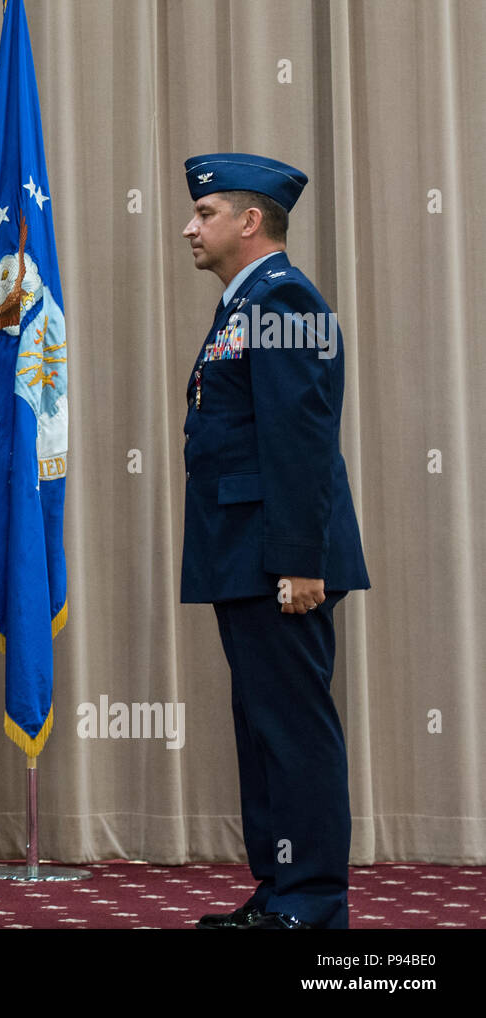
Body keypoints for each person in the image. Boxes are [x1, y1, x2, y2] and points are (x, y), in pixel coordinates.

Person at [179, 152, 369, 930]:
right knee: (262, 734)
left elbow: (301, 439)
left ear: (250, 221)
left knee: (293, 733)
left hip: (277, 556)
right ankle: (280, 888)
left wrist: (297, 559)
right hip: (242, 551)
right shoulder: (244, 305)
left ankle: (314, 901)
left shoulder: (284, 301)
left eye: (206, 213)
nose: (189, 227)